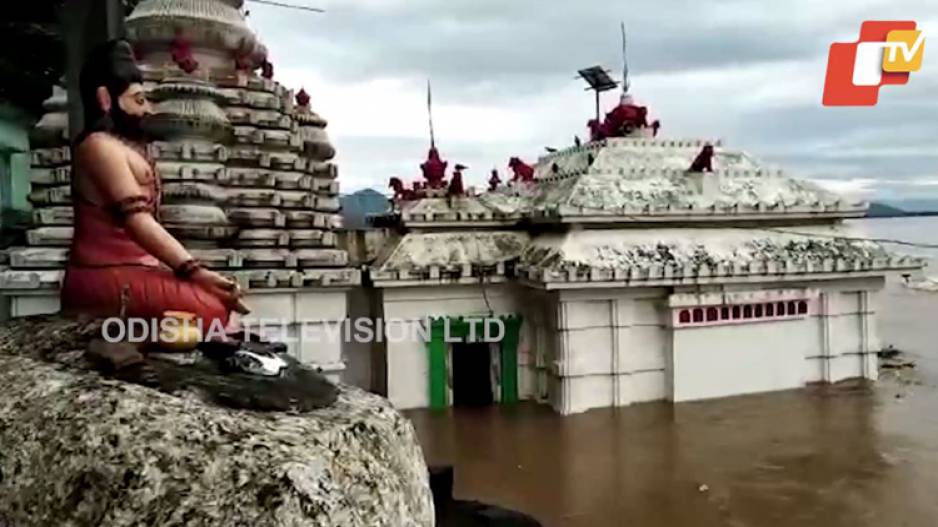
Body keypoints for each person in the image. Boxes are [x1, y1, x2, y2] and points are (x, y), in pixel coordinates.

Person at [61, 40, 247, 333]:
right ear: (105, 99)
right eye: (138, 99)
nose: (148, 109)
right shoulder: (98, 147)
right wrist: (195, 271)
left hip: (137, 269)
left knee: (221, 304)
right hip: (103, 274)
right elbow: (137, 222)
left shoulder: (124, 148)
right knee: (213, 312)